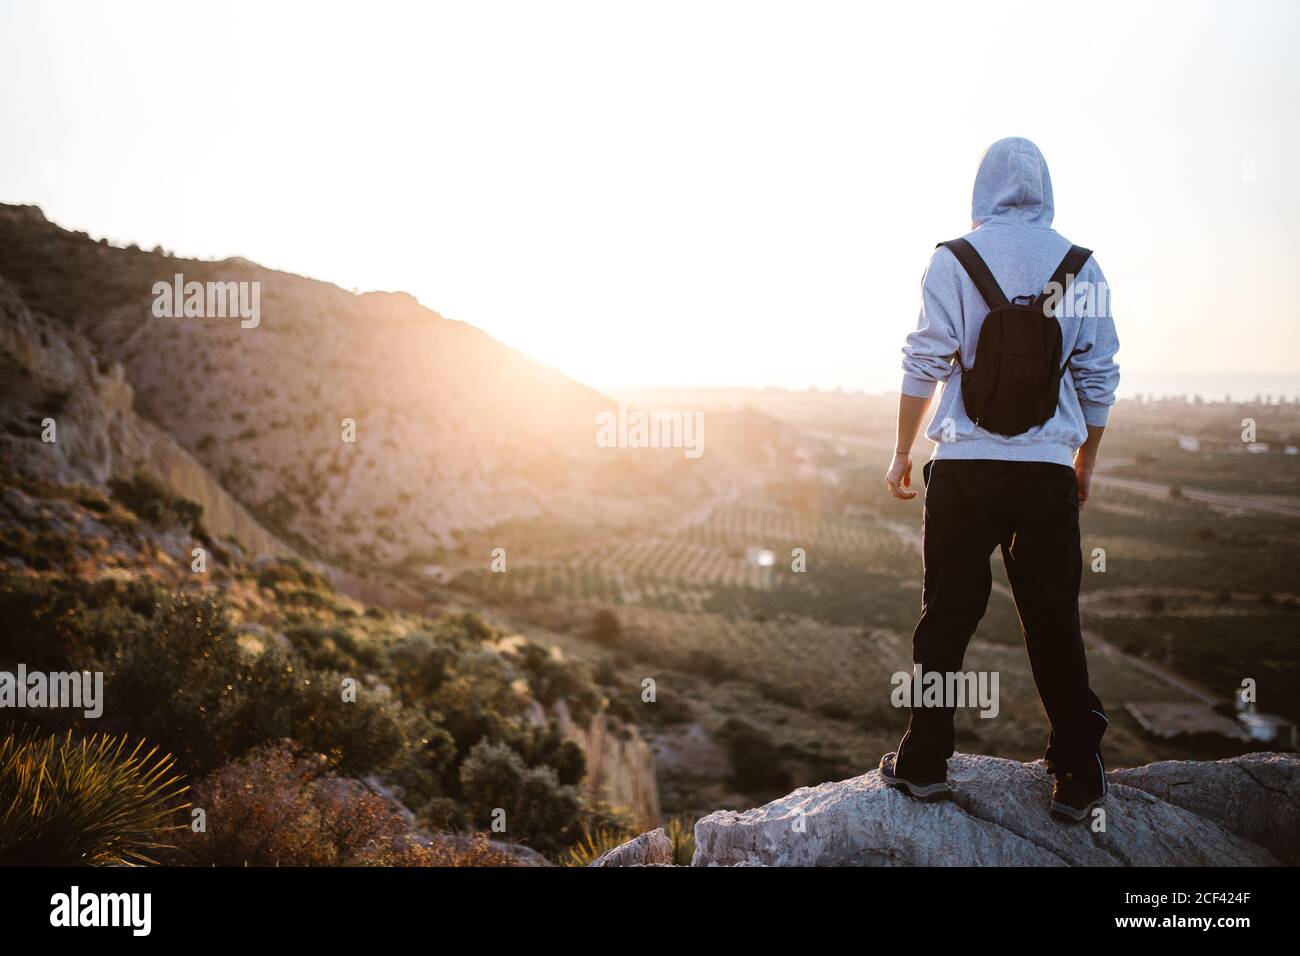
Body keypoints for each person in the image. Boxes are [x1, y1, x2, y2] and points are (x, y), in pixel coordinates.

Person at [878, 136, 1120, 822]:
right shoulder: (1083, 266)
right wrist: (1085, 462)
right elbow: (1099, 376)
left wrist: (902, 451)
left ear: (981, 188)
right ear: (1045, 187)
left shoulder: (953, 259)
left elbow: (923, 360)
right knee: (1053, 621)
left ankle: (924, 762)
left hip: (965, 470)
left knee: (946, 618)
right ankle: (1078, 772)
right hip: (1045, 473)